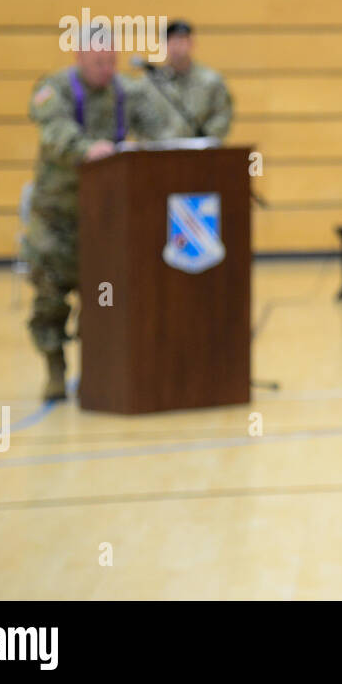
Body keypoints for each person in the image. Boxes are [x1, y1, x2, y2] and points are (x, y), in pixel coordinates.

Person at [25, 24, 168, 400]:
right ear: (79, 57)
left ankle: (97, 369)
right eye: (98, 60)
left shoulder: (127, 92)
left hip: (106, 220)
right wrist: (88, 149)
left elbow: (163, 132)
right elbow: (54, 133)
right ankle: (54, 366)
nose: (106, 68)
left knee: (104, 298)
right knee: (49, 298)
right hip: (57, 218)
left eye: (111, 60)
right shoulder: (52, 89)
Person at [137, 20, 233, 140]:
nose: (177, 47)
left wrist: (207, 139)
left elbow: (222, 114)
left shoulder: (210, 80)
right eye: (172, 41)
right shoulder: (151, 83)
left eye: (182, 41)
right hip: (160, 152)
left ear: (192, 44)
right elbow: (139, 118)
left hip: (200, 153)